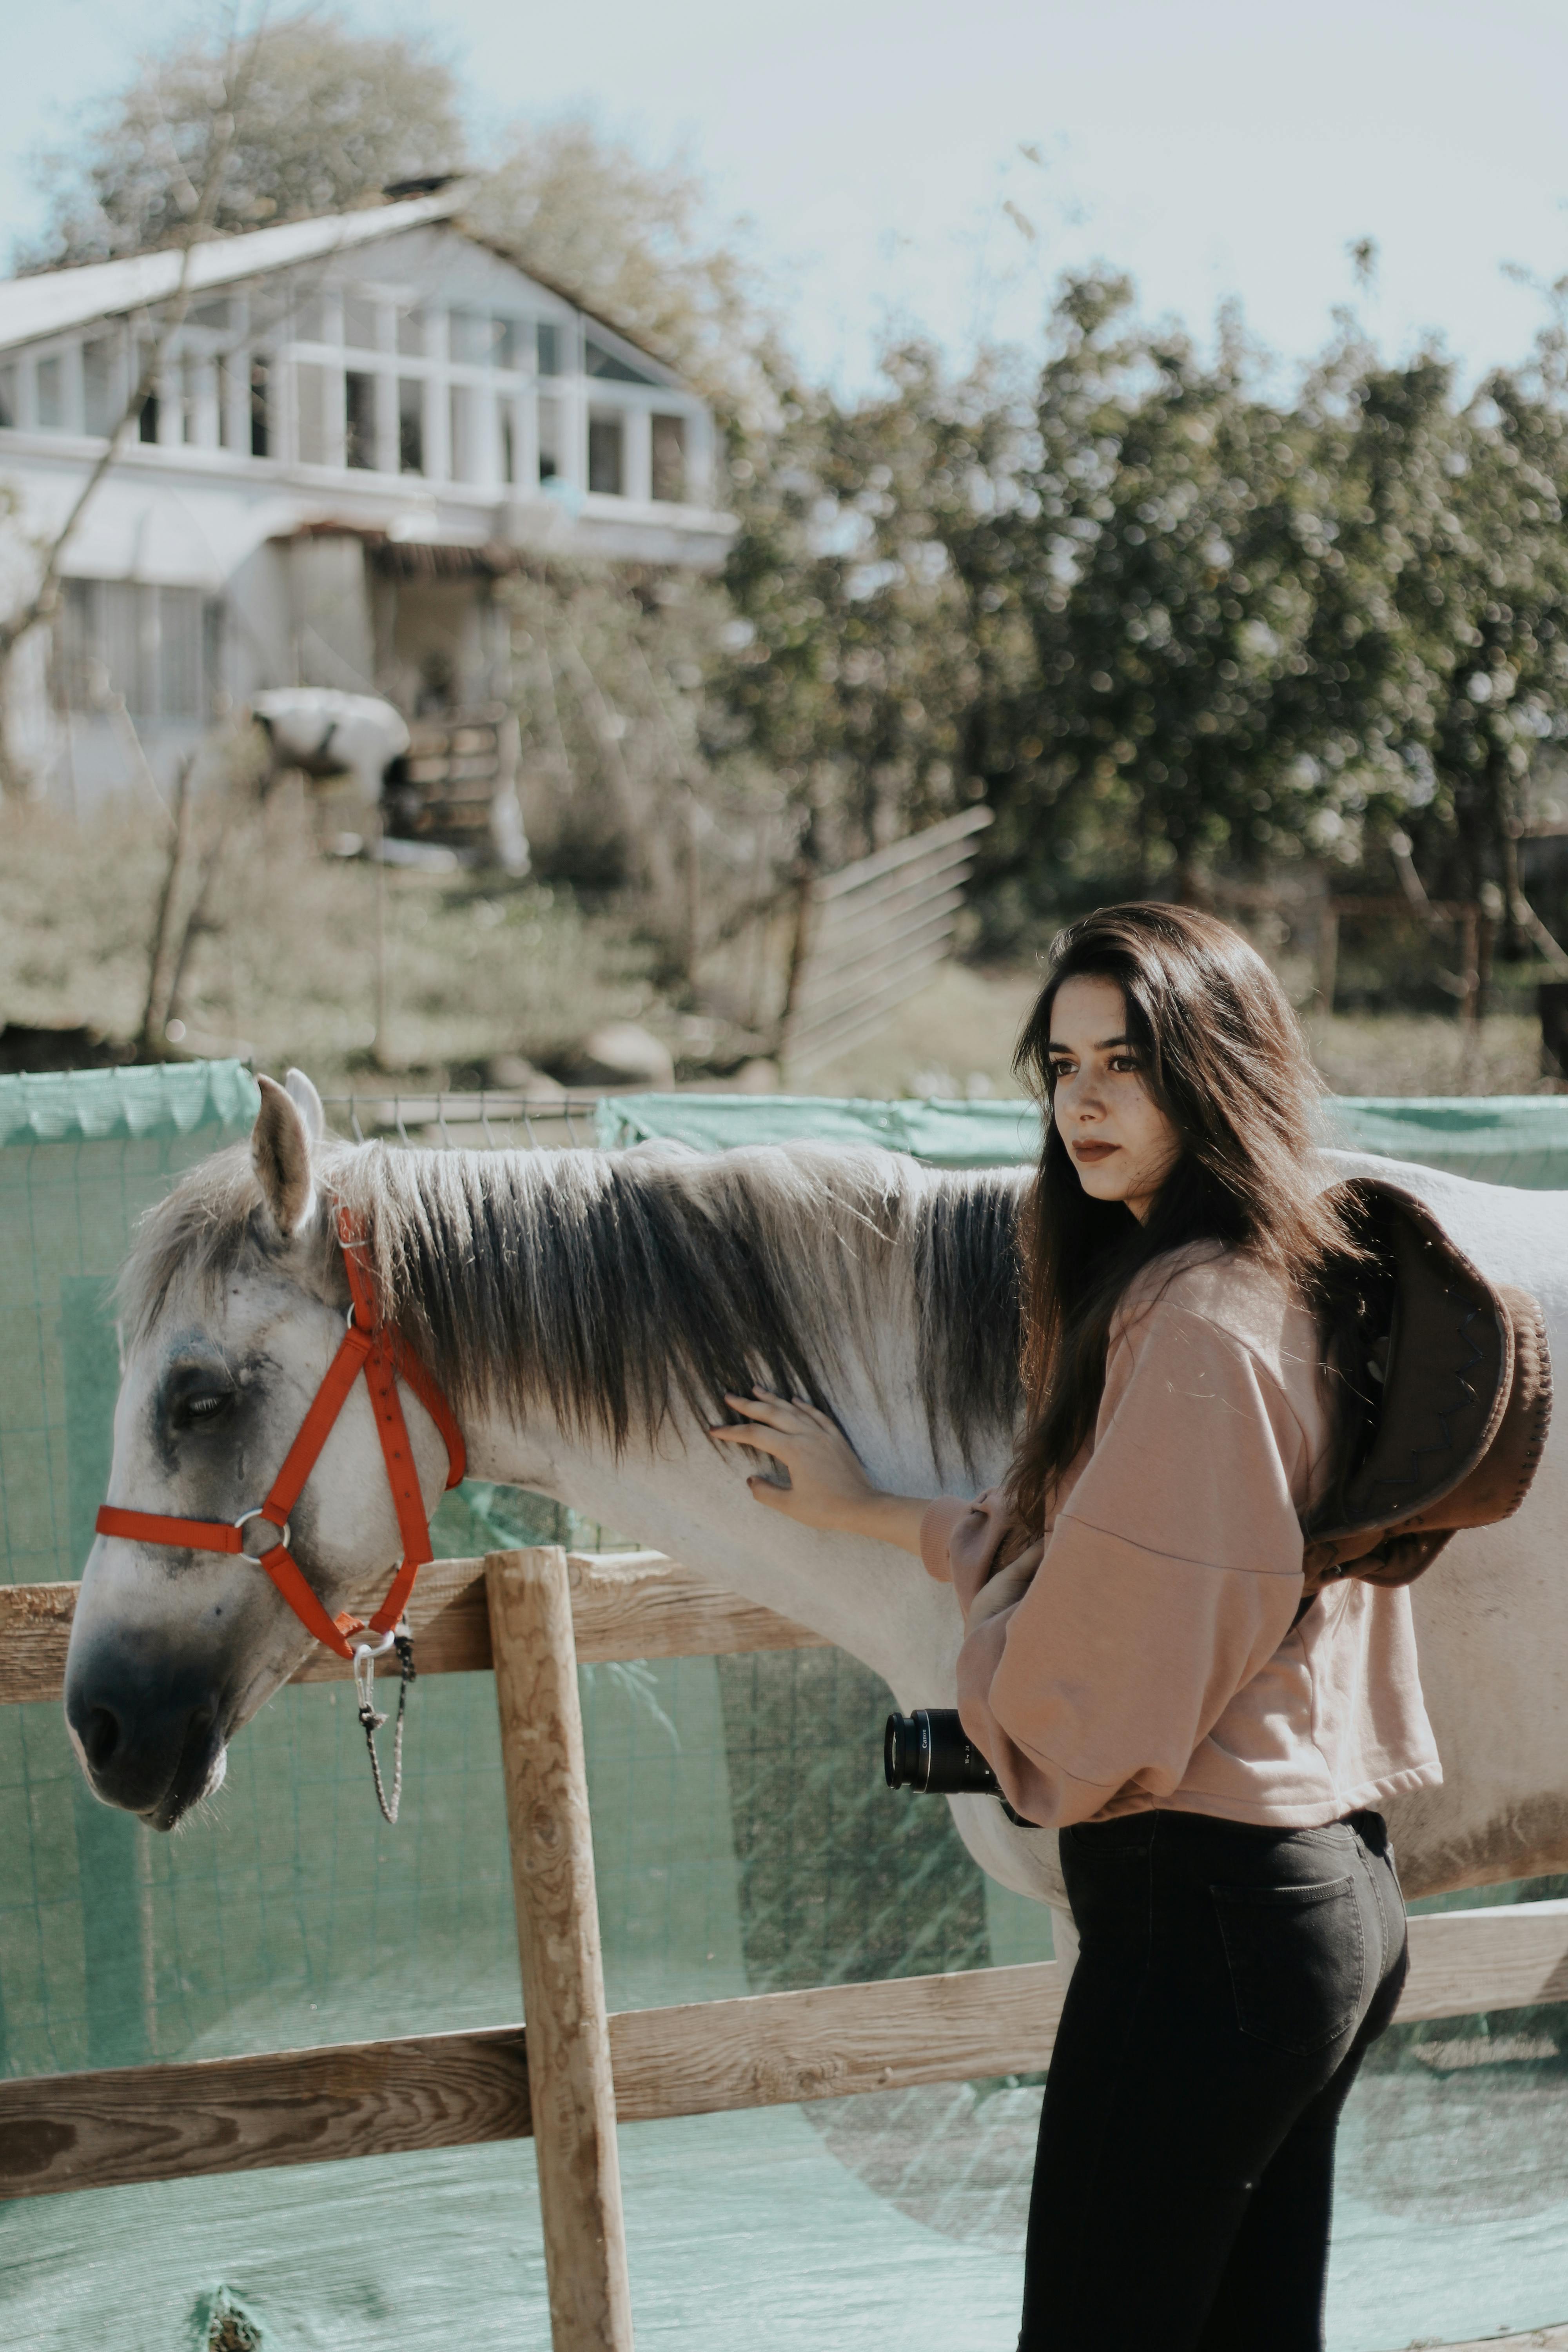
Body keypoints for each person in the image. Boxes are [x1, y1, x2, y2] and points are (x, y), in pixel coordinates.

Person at [712, 902, 1436, 2352]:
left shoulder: (1194, 1327)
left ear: (1216, 1069)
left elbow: (1087, 1690)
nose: (1084, 1098)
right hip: (1324, 1897)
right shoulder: (1290, 1280)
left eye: (1130, 1060)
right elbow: (1132, 1556)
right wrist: (867, 1511)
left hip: (1208, 1921)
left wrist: (981, 1696)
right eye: (1061, 1062)